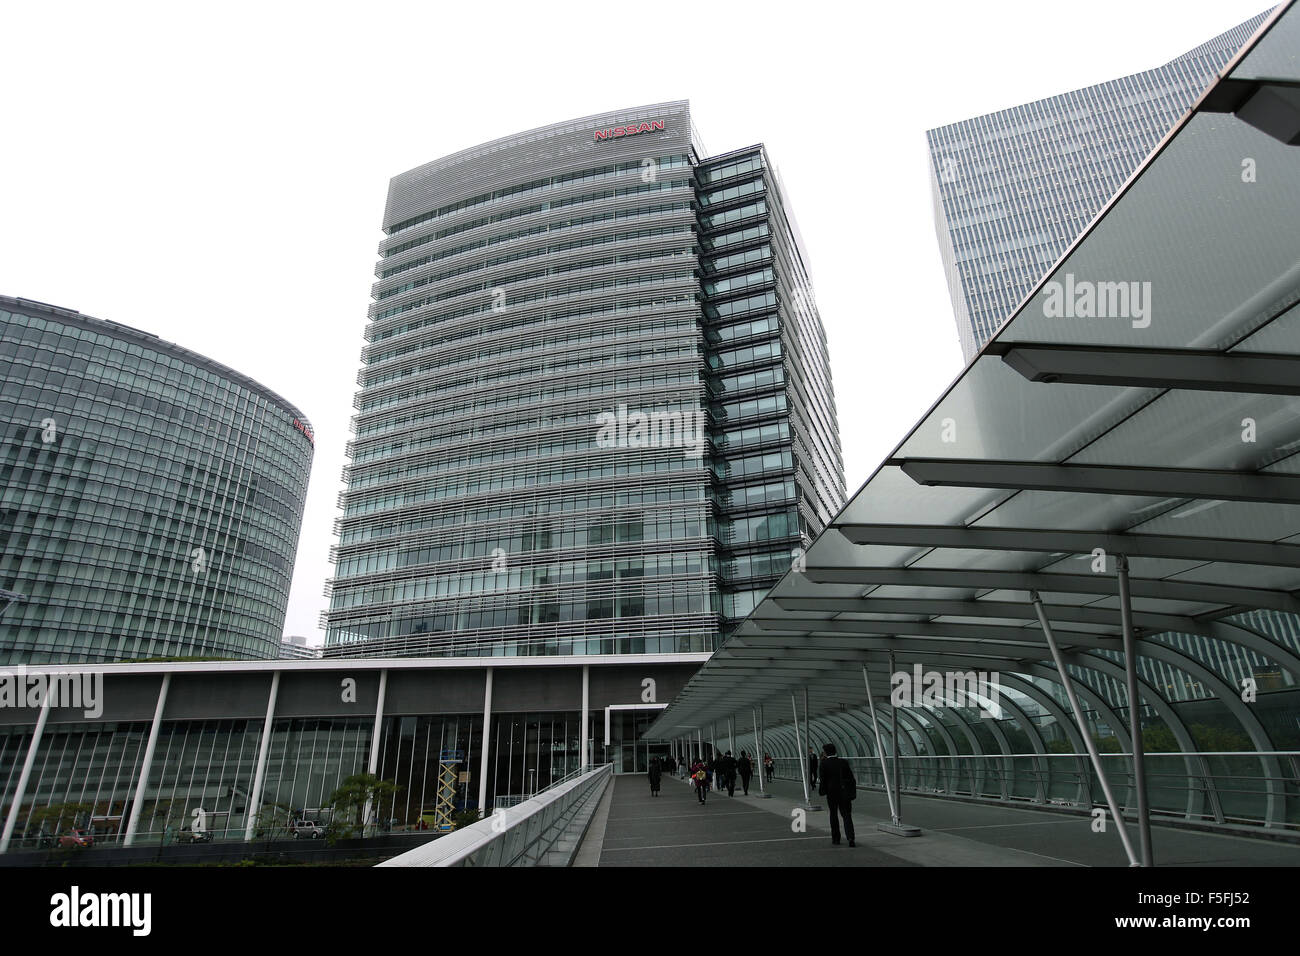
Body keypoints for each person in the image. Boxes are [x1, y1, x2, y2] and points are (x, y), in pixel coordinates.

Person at [817, 742, 856, 847]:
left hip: (831, 793)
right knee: (847, 815)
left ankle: (836, 838)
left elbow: (823, 779)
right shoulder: (843, 762)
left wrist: (822, 791)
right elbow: (851, 778)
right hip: (844, 792)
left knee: (833, 814)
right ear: (835, 751)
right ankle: (850, 837)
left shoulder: (824, 764)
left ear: (825, 753)